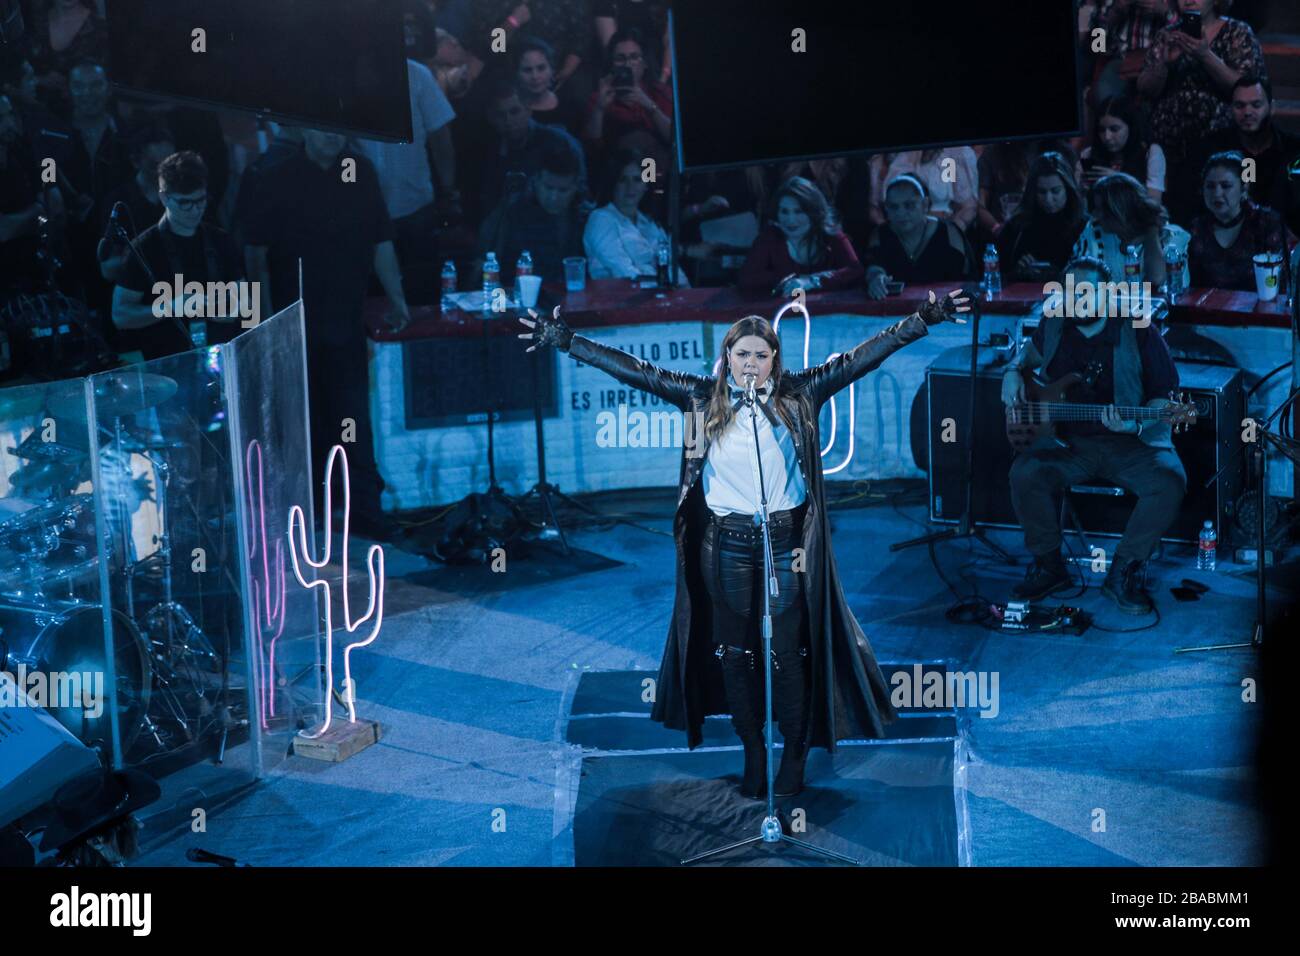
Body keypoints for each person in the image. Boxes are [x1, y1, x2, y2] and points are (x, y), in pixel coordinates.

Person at [519, 288, 971, 797]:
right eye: (742, 355)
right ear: (726, 359)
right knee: (735, 652)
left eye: (760, 355)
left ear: (774, 359)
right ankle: (753, 750)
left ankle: (794, 754)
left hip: (785, 544)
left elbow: (863, 356)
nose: (751, 364)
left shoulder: (800, 394)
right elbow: (633, 369)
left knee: (788, 653)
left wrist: (922, 319)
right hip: (725, 544)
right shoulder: (698, 397)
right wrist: (567, 341)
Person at [241, 129, 410, 541]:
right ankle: (307, 517)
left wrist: (397, 298)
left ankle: (364, 512)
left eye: (339, 130)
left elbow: (380, 240)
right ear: (305, 129)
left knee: (353, 419)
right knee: (301, 422)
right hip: (291, 324)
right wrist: (262, 323)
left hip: (344, 320)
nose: (333, 137)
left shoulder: (360, 172)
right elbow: (255, 256)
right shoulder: (275, 175)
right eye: (323, 128)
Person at [1001, 256, 1184, 614]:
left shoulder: (1137, 328)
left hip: (1131, 444)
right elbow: (1027, 356)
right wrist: (1011, 370)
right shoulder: (1053, 324)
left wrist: (1133, 425)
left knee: (1169, 480)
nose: (1077, 300)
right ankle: (1049, 566)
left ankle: (1123, 571)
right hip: (1068, 445)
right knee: (1024, 473)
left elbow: (1165, 395)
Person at [110, 151, 247, 361]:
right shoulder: (143, 248)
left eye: (200, 200)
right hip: (167, 367)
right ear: (164, 197)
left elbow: (246, 302)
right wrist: (172, 307)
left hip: (220, 358)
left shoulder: (220, 240)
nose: (195, 210)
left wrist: (225, 311)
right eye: (184, 203)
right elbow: (120, 316)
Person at [354, 58, 457, 306]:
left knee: (421, 293)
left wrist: (449, 190)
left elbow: (440, 137)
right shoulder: (345, 74)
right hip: (362, 213)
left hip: (415, 208)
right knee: (371, 298)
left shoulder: (417, 75)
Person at [1137, 0, 1265, 164]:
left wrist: (1205, 55)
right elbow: (1145, 89)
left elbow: (1245, 89)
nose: (1188, 0)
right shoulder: (1167, 35)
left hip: (1219, 133)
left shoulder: (1238, 32)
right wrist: (1164, 64)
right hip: (1168, 134)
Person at [1189, 75, 1300, 239]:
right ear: (1231, 109)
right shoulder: (1212, 149)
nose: (1247, 112)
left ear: (1271, 107)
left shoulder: (1293, 150)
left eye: (1256, 105)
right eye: (1240, 106)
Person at [583, 148, 712, 284]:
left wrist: (685, 293)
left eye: (637, 180)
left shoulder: (650, 223)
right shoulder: (601, 219)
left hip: (663, 299)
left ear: (646, 185)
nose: (630, 186)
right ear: (613, 184)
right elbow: (624, 273)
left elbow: (671, 267)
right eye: (623, 180)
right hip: (620, 301)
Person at [479, 143, 588, 287]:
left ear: (576, 187)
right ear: (536, 181)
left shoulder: (585, 219)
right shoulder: (512, 215)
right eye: (548, 188)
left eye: (563, 190)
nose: (553, 197)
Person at [479, 80, 586, 224]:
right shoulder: (490, 150)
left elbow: (581, 194)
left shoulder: (561, 142)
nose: (508, 120)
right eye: (500, 114)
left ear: (528, 109)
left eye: (515, 111)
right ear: (491, 118)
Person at [737, 176, 862, 298]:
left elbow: (855, 271)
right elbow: (747, 278)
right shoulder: (769, 237)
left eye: (799, 211)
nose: (790, 220)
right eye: (784, 212)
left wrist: (812, 281)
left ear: (813, 212)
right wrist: (793, 279)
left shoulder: (831, 234)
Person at [1186, 150, 1289, 291]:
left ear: (1243, 188)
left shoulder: (1266, 223)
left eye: (1226, 186)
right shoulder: (1197, 227)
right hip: (1206, 309)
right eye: (1210, 186)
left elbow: (1280, 282)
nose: (1216, 194)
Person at [862, 175, 976, 299]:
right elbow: (873, 264)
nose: (901, 213)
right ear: (886, 209)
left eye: (909, 205)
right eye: (894, 207)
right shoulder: (880, 234)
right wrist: (876, 278)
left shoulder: (949, 232)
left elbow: (969, 279)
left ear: (925, 205)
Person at [582, 29, 673, 169]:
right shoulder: (598, 98)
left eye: (634, 57)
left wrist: (650, 106)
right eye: (620, 58)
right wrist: (600, 109)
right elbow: (592, 151)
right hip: (616, 173)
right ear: (612, 63)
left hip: (655, 171)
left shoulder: (660, 93)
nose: (628, 64)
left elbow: (675, 140)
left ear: (645, 63)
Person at [97, 122, 174, 285]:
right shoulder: (118, 202)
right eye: (155, 166)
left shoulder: (185, 196)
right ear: (135, 161)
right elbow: (108, 268)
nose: (164, 173)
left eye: (170, 165)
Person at [997, 152, 1093, 281]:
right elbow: (996, 277)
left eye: (1055, 191)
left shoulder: (1085, 226)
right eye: (1042, 192)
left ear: (1068, 189)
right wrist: (1018, 272)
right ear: (1033, 191)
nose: (1048, 199)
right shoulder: (1017, 227)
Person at [1072, 171, 1168, 289]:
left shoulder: (1170, 237)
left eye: (1100, 209)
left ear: (1120, 212)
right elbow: (1074, 279)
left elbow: (1156, 279)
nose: (1095, 215)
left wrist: (1152, 233)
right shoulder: (1093, 230)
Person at [1081, 95, 1167, 204]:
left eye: (1114, 129)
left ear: (1130, 127)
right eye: (1102, 130)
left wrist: (1119, 179)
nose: (1107, 137)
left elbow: (1154, 201)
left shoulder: (1151, 153)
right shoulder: (1089, 154)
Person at [869, 148, 979, 232]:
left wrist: (951, 233)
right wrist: (887, 234)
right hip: (897, 235)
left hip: (940, 231)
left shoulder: (952, 156)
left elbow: (968, 207)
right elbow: (874, 207)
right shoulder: (884, 158)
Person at [513, 35, 584, 135]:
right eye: (527, 70)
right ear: (516, 73)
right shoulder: (509, 111)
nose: (535, 76)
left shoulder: (571, 107)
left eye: (541, 68)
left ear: (552, 70)